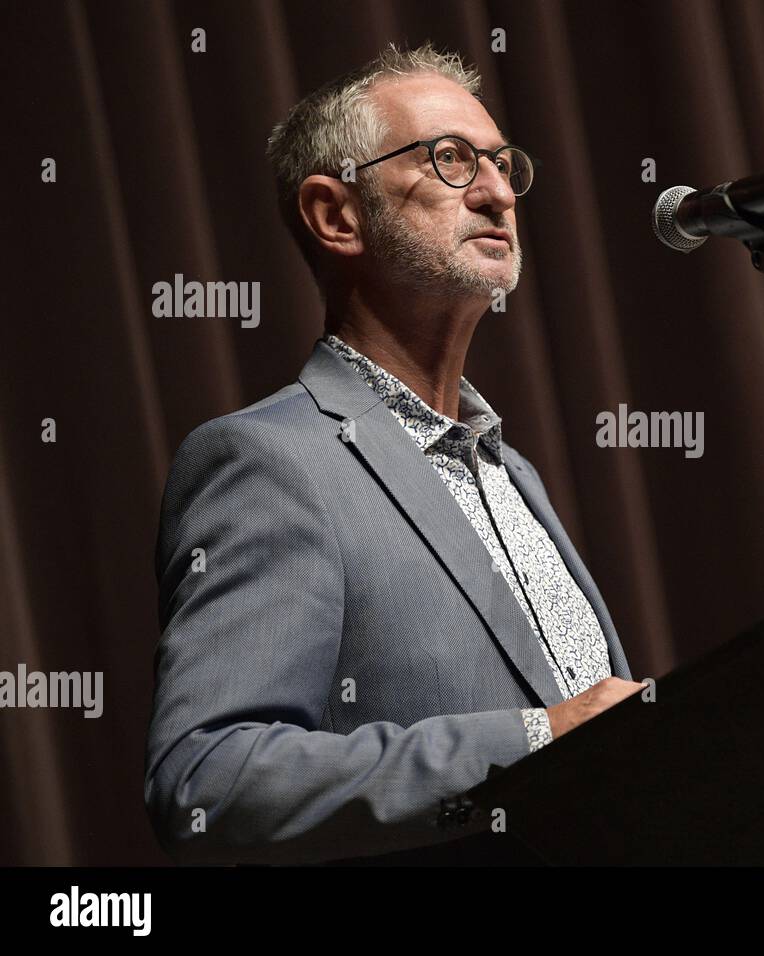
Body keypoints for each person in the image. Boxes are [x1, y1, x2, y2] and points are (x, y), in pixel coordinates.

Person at [144, 42, 644, 865]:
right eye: (449, 159)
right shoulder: (269, 463)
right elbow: (208, 778)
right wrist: (533, 738)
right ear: (337, 216)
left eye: (501, 163)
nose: (495, 192)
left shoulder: (510, 473)